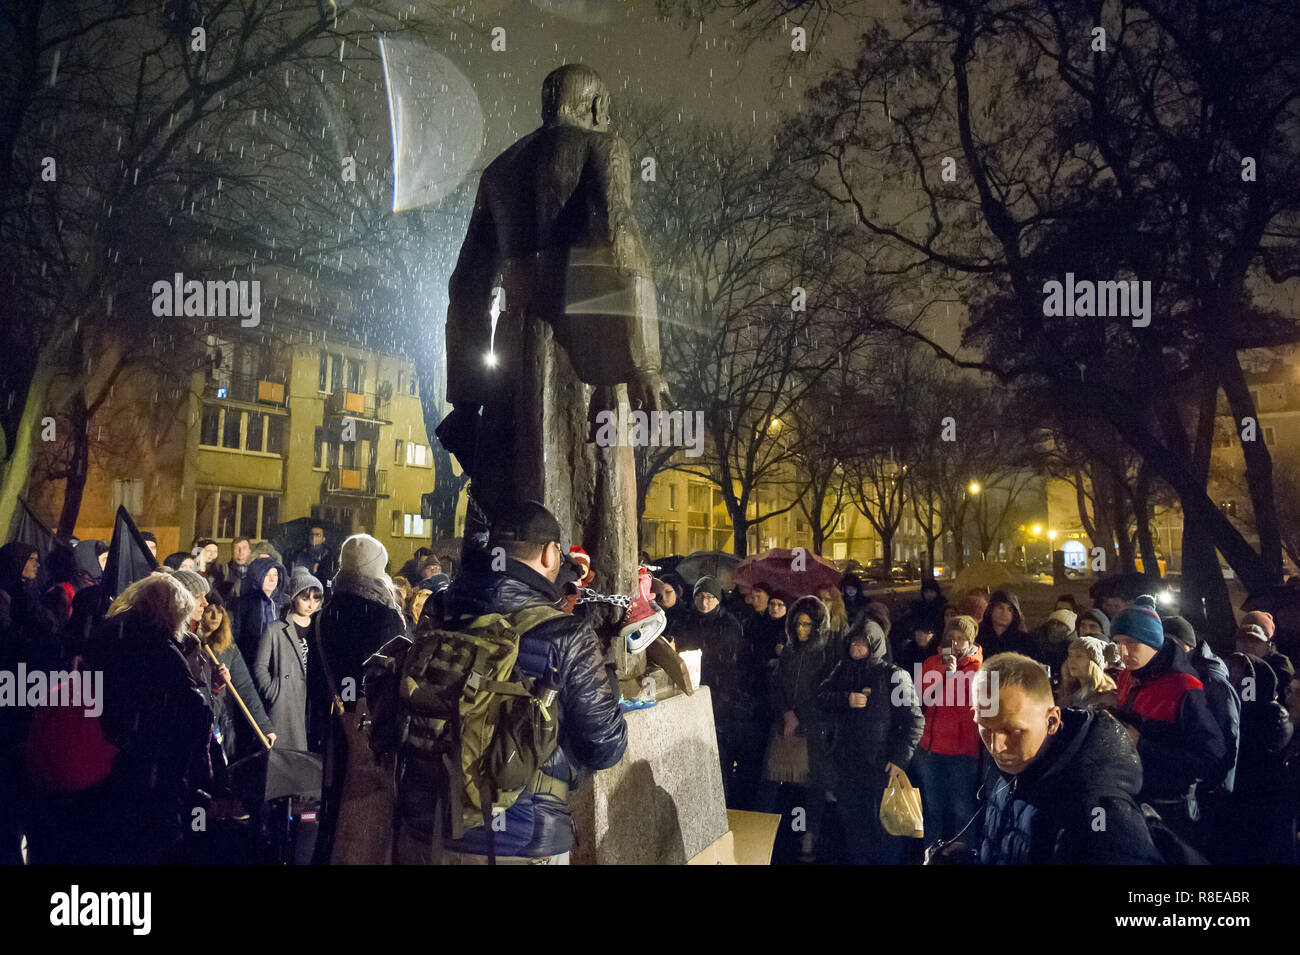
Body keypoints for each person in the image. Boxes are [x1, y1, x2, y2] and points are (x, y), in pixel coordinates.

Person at [379, 501, 627, 864]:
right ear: (549, 553)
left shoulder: (442, 612)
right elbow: (604, 747)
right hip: (521, 841)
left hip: (424, 832)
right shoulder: (565, 633)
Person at [26, 574, 212, 864]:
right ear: (174, 611)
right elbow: (189, 716)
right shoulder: (162, 651)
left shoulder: (109, 633)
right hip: (140, 780)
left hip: (95, 777)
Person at [967, 653, 1163, 864]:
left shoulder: (1098, 811)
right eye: (985, 728)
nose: (997, 747)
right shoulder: (1019, 767)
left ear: (1052, 720)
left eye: (1012, 730)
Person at [309, 533, 408, 863]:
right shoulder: (386, 617)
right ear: (375, 569)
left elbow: (315, 684)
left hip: (335, 733)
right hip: (373, 734)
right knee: (371, 823)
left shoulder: (324, 616)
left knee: (334, 816)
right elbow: (394, 683)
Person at [1111, 596, 1227, 845]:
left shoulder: (1184, 686)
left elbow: (1211, 760)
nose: (1122, 653)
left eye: (1131, 643)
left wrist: (1142, 744)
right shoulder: (1127, 677)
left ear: (1153, 641)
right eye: (1118, 643)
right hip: (1134, 798)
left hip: (1172, 809)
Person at [818, 625, 924, 863]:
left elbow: (914, 719)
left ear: (875, 644)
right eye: (854, 642)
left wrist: (899, 760)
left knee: (884, 829)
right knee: (854, 827)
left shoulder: (893, 674)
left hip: (881, 766)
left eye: (863, 643)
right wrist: (845, 699)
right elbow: (822, 696)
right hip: (847, 765)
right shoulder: (842, 669)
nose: (856, 647)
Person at [764, 595, 838, 862]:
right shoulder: (791, 651)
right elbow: (777, 684)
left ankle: (810, 835)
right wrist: (786, 712)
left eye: (807, 625)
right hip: (786, 725)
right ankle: (778, 834)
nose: (801, 629)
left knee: (813, 786)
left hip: (813, 728)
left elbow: (825, 692)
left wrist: (801, 717)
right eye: (798, 624)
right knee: (777, 780)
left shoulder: (827, 652)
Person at [913, 615, 984, 847]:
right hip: (932, 748)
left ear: (970, 642)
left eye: (961, 639)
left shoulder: (978, 669)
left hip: (961, 751)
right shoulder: (932, 663)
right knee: (933, 806)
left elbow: (967, 706)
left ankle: (966, 852)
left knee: (962, 807)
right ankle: (931, 852)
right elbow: (924, 699)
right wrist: (944, 675)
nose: (955, 643)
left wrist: (953, 676)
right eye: (951, 637)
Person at [679, 576, 749, 806]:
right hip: (691, 695)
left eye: (710, 597)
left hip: (721, 699)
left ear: (718, 600)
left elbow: (734, 666)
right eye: (700, 596)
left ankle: (722, 804)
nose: (705, 602)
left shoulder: (729, 625)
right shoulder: (687, 621)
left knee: (720, 757)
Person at [1221, 652, 1294, 863]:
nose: (1234, 682)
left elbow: (1251, 751)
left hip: (1259, 805)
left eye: (1241, 678)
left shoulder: (1274, 715)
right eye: (1231, 675)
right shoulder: (1241, 709)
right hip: (1241, 801)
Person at [252, 569, 321, 753]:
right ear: (294, 598)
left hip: (312, 702)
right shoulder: (275, 629)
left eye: (316, 599)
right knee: (286, 760)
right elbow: (260, 666)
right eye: (305, 598)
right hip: (286, 703)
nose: (311, 604)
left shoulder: (320, 629)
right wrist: (274, 691)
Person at [1235, 611, 1295, 705]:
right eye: (1243, 639)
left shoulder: (1279, 664)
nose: (1249, 645)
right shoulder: (1235, 664)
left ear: (1267, 643)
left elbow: (1290, 701)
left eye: (1255, 640)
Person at [234, 555, 285, 664]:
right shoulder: (244, 603)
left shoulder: (286, 603)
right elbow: (237, 636)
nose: (272, 579)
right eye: (267, 575)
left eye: (275, 575)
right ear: (257, 576)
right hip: (251, 659)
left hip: (279, 660)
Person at [1057, 636, 1118, 710]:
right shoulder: (1069, 691)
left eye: (1079, 656)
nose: (1071, 661)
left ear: (1094, 663)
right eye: (1070, 655)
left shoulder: (1106, 697)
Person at [976, 589, 1033, 658]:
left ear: (1014, 614)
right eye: (1000, 608)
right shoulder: (977, 636)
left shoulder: (1025, 642)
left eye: (1010, 610)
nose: (1004, 613)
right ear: (991, 609)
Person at [1031, 608, 1076, 680]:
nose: (1055, 626)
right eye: (1053, 622)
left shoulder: (1070, 648)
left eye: (1060, 624)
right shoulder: (1035, 639)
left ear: (1068, 630)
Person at [218, 536, 252, 602]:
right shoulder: (223, 570)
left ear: (249, 551)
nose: (241, 552)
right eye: (237, 548)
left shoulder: (255, 570)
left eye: (244, 548)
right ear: (232, 551)